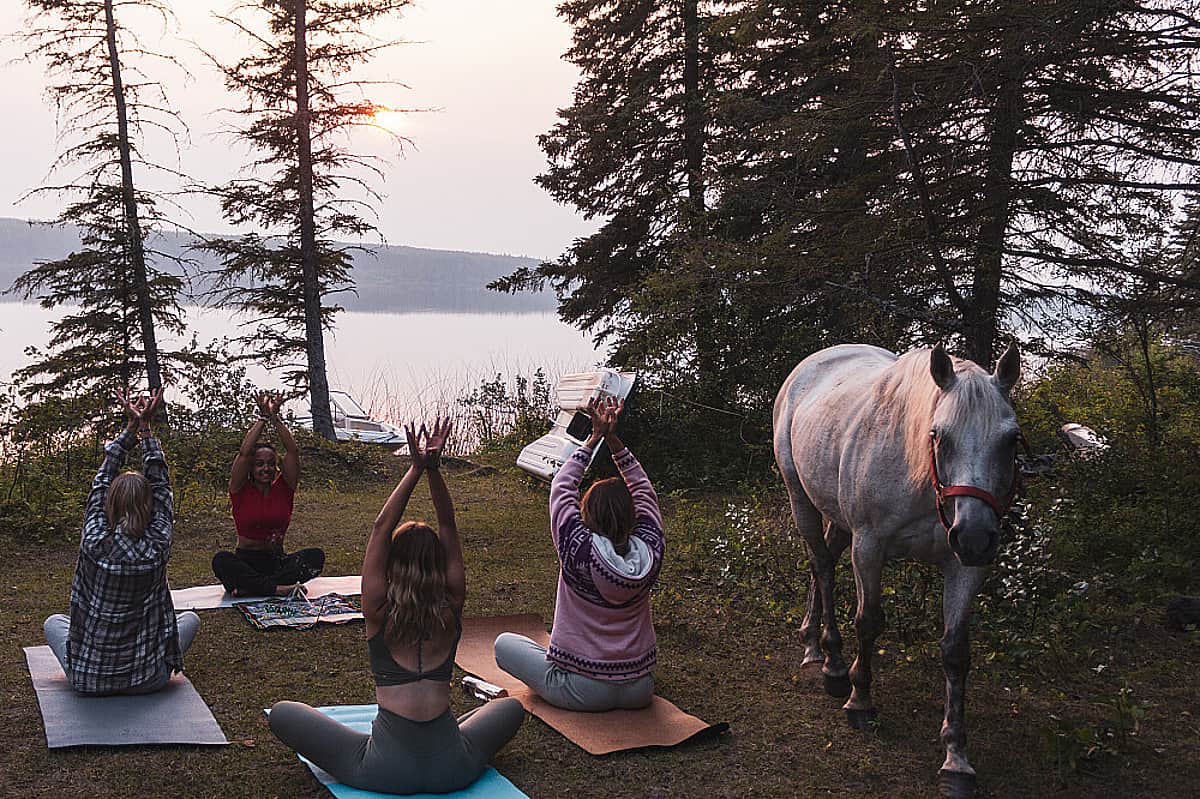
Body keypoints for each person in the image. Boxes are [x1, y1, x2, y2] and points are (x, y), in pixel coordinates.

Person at [269, 418, 524, 794]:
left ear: (392, 565)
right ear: (437, 564)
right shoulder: (452, 605)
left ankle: (442, 737)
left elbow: (379, 528)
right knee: (511, 708)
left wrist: (415, 468)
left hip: (382, 769)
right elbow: (448, 526)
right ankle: (450, 733)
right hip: (453, 767)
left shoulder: (378, 611)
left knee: (283, 713)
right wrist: (434, 471)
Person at [494, 396, 665, 711]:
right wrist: (614, 439)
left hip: (581, 689)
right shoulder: (651, 550)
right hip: (639, 688)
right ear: (632, 517)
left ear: (588, 515)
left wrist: (593, 439)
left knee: (504, 644)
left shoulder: (578, 548)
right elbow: (643, 490)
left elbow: (562, 485)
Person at [43, 388, 200, 695]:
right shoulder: (156, 545)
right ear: (149, 506)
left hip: (87, 680)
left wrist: (130, 429)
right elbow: (162, 486)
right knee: (190, 619)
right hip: (146, 681)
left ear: (109, 506)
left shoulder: (95, 540)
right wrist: (146, 430)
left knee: (53, 622)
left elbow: (102, 480)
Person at [211, 391, 324, 597]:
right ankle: (276, 589)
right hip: (246, 560)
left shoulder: (284, 487)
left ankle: (252, 587)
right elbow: (244, 452)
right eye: (260, 464)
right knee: (221, 560)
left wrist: (276, 418)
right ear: (251, 468)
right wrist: (263, 418)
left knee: (316, 557)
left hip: (275, 561)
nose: (266, 469)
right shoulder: (240, 489)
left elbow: (292, 452)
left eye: (271, 464)